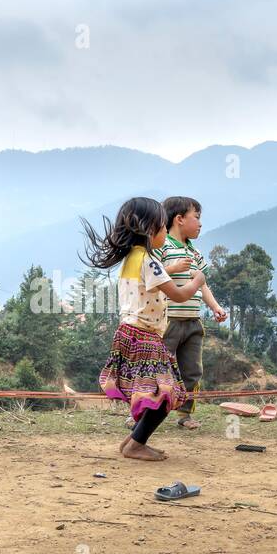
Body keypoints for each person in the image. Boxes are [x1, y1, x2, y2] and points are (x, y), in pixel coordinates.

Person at [81, 197, 206, 460]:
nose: (164, 233)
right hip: (145, 336)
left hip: (128, 334)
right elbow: (180, 295)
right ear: (150, 229)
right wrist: (198, 281)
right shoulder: (150, 262)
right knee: (167, 393)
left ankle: (133, 441)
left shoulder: (131, 259)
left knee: (156, 392)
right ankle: (137, 443)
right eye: (162, 227)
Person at [157, 196, 228, 429]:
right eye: (196, 218)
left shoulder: (194, 252)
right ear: (179, 219)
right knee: (158, 368)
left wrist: (216, 307)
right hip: (168, 321)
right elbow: (150, 274)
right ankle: (142, 412)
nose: (199, 224)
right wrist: (173, 268)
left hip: (193, 322)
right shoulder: (162, 246)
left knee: (192, 370)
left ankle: (184, 414)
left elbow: (202, 283)